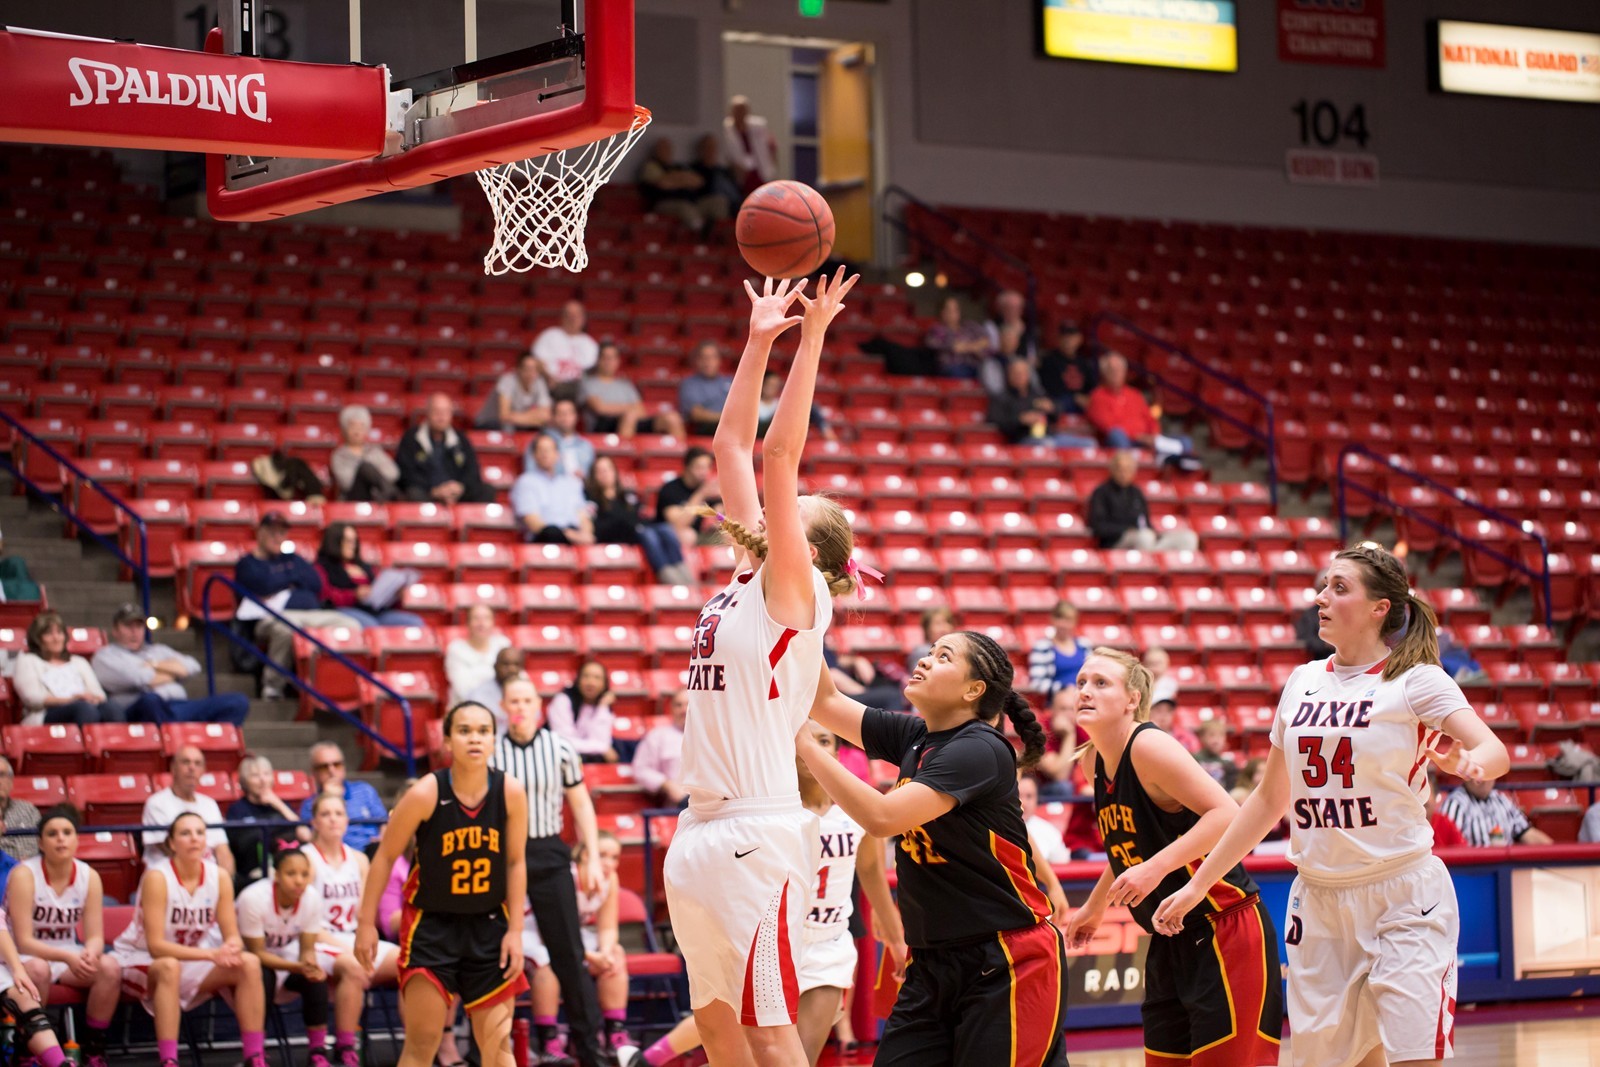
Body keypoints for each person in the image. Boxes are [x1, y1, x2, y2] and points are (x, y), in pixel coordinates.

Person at [1152, 541, 1512, 1067]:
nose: (1321, 597)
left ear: (1378, 608)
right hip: (1320, 901)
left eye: (1338, 588)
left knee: (1415, 1056)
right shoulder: (1302, 682)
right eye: (1324, 586)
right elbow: (1269, 798)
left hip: (1403, 896)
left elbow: (1494, 749)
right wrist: (1197, 884)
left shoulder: (1416, 681)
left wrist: (1472, 764)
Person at [663, 271, 860, 1067]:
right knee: (715, 1025)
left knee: (772, 1030)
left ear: (809, 549)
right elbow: (730, 447)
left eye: (798, 507)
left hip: (755, 825)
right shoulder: (747, 578)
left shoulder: (795, 588)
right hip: (701, 821)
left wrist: (810, 339)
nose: (787, 499)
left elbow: (778, 453)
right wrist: (754, 342)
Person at [799, 629, 1069, 1066]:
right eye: (929, 651)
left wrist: (807, 748)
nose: (924, 661)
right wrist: (797, 618)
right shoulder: (916, 737)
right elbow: (825, 702)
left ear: (973, 690)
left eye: (943, 657)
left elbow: (882, 817)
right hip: (933, 960)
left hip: (1006, 958)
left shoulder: (979, 748)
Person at [627, 723, 904, 1067]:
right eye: (803, 740)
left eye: (824, 740)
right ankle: (649, 1060)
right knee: (747, 1045)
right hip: (771, 942)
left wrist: (896, 943)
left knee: (799, 1055)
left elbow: (874, 878)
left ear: (835, 753)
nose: (811, 746)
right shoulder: (769, 815)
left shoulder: (854, 812)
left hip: (827, 944)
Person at [1065, 648, 1282, 1066]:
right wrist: (1094, 907)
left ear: (1131, 699)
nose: (1085, 692)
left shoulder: (1148, 746)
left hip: (1224, 927)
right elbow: (1126, 844)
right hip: (1169, 939)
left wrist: (1156, 867)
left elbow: (1226, 814)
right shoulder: (1095, 758)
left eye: (1100, 683)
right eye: (1081, 683)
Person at [356, 703, 529, 1067]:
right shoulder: (425, 793)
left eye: (483, 730)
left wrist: (516, 930)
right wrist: (365, 925)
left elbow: (515, 862)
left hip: (489, 929)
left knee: (499, 1050)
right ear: (448, 741)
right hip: (431, 928)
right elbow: (385, 857)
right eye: (465, 730)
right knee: (422, 1045)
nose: (475, 738)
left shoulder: (510, 792)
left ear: (494, 740)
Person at [491, 677, 610, 1067]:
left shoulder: (559, 748)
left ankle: (589, 1049)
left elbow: (581, 805)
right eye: (514, 700)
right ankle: (487, 1050)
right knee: (491, 953)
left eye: (527, 699)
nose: (520, 707)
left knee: (569, 955)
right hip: (502, 857)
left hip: (549, 852)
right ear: (504, 705)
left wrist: (590, 855)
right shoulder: (491, 753)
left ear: (538, 705)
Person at [114, 811, 268, 1067]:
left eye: (199, 832)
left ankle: (255, 1056)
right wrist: (212, 954)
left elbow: (232, 934)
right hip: (141, 957)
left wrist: (232, 946)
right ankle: (169, 1060)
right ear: (172, 843)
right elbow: (156, 947)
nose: (194, 839)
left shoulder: (218, 876)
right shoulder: (157, 877)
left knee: (249, 963)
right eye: (185, 833)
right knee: (169, 966)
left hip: (192, 956)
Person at [9, 805, 121, 1067]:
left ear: (76, 839)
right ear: (40, 842)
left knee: (110, 967)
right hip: (25, 956)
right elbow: (24, 940)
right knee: (37, 970)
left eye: (67, 832)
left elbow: (94, 936)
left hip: (65, 954)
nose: (61, 838)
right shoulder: (25, 874)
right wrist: (68, 957)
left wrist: (91, 952)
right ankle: (27, 1050)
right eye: (52, 833)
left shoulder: (88, 876)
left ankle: (93, 1046)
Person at [305, 795, 405, 1067]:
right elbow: (305, 922)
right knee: (355, 965)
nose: (333, 819)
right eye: (325, 814)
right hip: (316, 940)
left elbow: (366, 912)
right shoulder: (307, 858)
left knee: (409, 963)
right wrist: (351, 948)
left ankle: (415, 1043)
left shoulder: (359, 859)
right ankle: (346, 1046)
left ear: (347, 820)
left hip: (352, 935)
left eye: (338, 813)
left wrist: (362, 939)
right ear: (314, 821)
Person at [524, 832, 635, 1060]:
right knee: (547, 962)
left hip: (571, 938)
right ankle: (549, 1040)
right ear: (585, 855)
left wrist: (604, 953)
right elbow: (554, 935)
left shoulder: (610, 880)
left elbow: (607, 928)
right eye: (603, 855)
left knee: (616, 953)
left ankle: (615, 1034)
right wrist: (591, 958)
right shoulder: (565, 875)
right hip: (535, 933)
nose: (609, 863)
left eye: (615, 857)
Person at [234, 511, 362, 701]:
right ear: (260, 532)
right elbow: (263, 584)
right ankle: (272, 688)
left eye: (282, 533)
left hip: (310, 614)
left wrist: (283, 580)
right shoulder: (248, 563)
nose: (278, 538)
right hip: (272, 617)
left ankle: (326, 686)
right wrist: (292, 578)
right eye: (272, 532)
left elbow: (315, 582)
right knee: (286, 629)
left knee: (351, 625)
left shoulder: (291, 558)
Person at [236, 845, 334, 1067]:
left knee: (316, 980)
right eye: (291, 874)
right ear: (276, 875)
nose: (299, 880)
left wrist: (309, 965)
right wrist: (297, 967)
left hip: (284, 957)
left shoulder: (312, 899)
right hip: (246, 960)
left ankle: (318, 1052)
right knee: (264, 976)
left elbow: (307, 949)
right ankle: (255, 1054)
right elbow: (257, 953)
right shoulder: (253, 898)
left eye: (304, 874)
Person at [92, 603, 251, 724]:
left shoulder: (158, 650)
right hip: (140, 711)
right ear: (115, 630)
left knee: (237, 702)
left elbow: (192, 666)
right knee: (151, 700)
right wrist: (174, 673)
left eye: (139, 626)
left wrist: (154, 664)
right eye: (128, 626)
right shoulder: (105, 656)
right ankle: (176, 743)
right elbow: (139, 678)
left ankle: (206, 751)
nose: (135, 631)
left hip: (179, 706)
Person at [585, 455, 693, 585]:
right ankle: (670, 578)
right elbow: (600, 526)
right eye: (600, 471)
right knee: (648, 535)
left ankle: (684, 573)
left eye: (608, 469)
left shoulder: (627, 495)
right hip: (622, 536)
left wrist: (629, 521)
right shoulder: (593, 501)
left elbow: (640, 515)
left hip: (639, 529)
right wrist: (626, 522)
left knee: (665, 529)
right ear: (594, 476)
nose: (605, 474)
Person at [1085, 352, 1197, 466]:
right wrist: (1139, 437)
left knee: (1185, 441)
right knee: (1116, 435)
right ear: (1104, 373)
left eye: (1119, 369)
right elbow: (1108, 426)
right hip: (1124, 443)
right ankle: (1128, 469)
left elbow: (1151, 419)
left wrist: (1153, 436)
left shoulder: (1135, 394)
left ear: (1125, 372)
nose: (1116, 373)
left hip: (1148, 440)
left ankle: (1178, 477)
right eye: (1112, 370)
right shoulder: (1097, 396)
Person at [140, 746, 235, 878]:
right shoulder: (156, 803)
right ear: (173, 768)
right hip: (166, 880)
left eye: (197, 763)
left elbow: (223, 851)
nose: (192, 768)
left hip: (208, 880)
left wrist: (225, 882)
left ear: (203, 771)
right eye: (186, 762)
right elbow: (173, 851)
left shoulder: (210, 804)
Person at [313, 523, 427, 630]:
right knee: (371, 627)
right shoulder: (322, 568)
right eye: (347, 541)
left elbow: (379, 593)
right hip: (344, 610)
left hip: (375, 611)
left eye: (354, 541)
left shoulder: (366, 567)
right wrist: (354, 595)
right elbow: (325, 596)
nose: (352, 545)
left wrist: (395, 596)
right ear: (334, 542)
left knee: (414, 622)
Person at [1086, 450, 1200, 552]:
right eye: (1120, 469)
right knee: (1145, 537)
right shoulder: (1101, 492)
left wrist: (1156, 534)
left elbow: (1145, 522)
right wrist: (1127, 530)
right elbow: (1098, 526)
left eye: (1128, 469)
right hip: (1116, 543)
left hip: (1145, 540)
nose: (1123, 473)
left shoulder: (1136, 492)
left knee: (1188, 538)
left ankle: (1170, 572)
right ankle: (1150, 569)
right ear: (1112, 470)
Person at [15, 610, 114, 725]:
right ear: (37, 639)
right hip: (46, 713)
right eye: (49, 634)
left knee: (111, 708)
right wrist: (72, 700)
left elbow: (100, 694)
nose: (56, 638)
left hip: (85, 705)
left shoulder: (79, 661)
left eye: (59, 632)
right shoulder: (28, 660)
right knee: (83, 709)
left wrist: (91, 698)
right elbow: (32, 698)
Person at [395, 393, 496, 504]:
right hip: (427, 493)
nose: (441, 416)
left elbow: (473, 471)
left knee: (486, 490)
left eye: (445, 412)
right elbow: (405, 474)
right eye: (436, 411)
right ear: (427, 413)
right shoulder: (411, 438)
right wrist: (434, 491)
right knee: (413, 493)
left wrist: (459, 487)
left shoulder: (461, 439)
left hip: (457, 494)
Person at [227, 754, 310, 889]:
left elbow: (305, 835)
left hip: (285, 877)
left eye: (266, 774)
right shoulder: (237, 810)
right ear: (244, 781)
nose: (262, 780)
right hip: (251, 877)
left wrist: (278, 804)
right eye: (255, 775)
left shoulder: (283, 807)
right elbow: (237, 847)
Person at [578, 341, 687, 440]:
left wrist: (624, 410)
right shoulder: (588, 383)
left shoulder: (626, 385)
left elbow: (641, 410)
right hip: (602, 426)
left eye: (612, 358)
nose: (608, 362)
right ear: (598, 360)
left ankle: (682, 456)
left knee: (673, 418)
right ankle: (624, 455)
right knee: (630, 416)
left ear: (618, 361)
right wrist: (629, 409)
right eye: (605, 358)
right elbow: (600, 408)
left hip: (632, 421)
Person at [296, 742, 388, 853]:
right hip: (332, 858)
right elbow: (312, 840)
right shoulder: (310, 804)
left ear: (344, 767)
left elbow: (384, 822)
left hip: (371, 852)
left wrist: (383, 839)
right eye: (324, 767)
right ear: (314, 773)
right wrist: (327, 797)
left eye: (337, 764)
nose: (331, 770)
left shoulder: (365, 790)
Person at [511, 433, 596, 546]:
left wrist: (586, 534)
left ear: (558, 455)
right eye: (541, 450)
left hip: (573, 534)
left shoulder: (571, 483)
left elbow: (583, 515)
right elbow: (533, 523)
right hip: (545, 537)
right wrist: (570, 536)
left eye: (549, 450)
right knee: (552, 532)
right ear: (534, 455)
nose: (545, 454)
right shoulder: (525, 482)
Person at [637, 137, 729, 236]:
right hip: (665, 203)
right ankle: (701, 234)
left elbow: (698, 181)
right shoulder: (651, 166)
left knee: (719, 201)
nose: (666, 151)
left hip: (691, 201)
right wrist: (682, 180)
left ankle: (720, 232)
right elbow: (662, 184)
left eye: (668, 148)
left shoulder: (678, 166)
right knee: (684, 207)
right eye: (663, 149)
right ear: (656, 151)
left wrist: (674, 180)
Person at [1436, 778, 1554, 847]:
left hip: (1505, 871)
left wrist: (1554, 854)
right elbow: (1450, 849)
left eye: (1485, 769)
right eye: (1474, 769)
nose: (1480, 776)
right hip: (1473, 873)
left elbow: (1527, 833)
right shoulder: (1455, 804)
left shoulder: (1502, 800)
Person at [546, 660, 619, 764]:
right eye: (586, 676)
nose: (591, 682)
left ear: (605, 684)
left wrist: (602, 707)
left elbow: (602, 740)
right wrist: (601, 748)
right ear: (578, 679)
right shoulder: (563, 700)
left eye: (597, 678)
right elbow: (564, 741)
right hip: (560, 757)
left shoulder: (603, 706)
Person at [654, 446, 721, 554]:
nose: (704, 472)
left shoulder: (707, 488)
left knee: (728, 536)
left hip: (700, 536)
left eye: (707, 467)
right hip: (667, 538)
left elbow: (720, 516)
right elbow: (679, 524)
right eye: (699, 467)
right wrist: (700, 495)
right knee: (687, 535)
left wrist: (720, 511)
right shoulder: (670, 490)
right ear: (687, 467)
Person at [329, 404, 401, 502]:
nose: (357, 432)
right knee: (365, 468)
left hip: (378, 496)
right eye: (353, 427)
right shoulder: (339, 455)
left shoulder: (374, 451)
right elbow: (347, 482)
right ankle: (394, 494)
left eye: (361, 427)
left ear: (367, 430)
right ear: (345, 429)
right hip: (353, 498)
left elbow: (393, 472)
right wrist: (369, 474)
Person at [445, 603, 512, 707]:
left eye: (486, 618)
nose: (481, 623)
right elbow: (463, 689)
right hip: (465, 709)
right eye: (476, 618)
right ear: (468, 623)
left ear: (493, 622)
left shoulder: (503, 644)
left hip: (502, 709)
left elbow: (515, 678)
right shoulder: (456, 649)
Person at [533, 301, 600, 403]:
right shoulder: (549, 335)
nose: (572, 319)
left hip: (579, 388)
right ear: (562, 317)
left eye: (576, 315)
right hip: (551, 384)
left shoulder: (590, 344)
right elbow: (536, 361)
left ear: (583, 319)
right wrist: (548, 376)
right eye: (569, 315)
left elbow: (593, 371)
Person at [631, 689, 688, 808]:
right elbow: (640, 769)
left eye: (688, 704)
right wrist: (666, 784)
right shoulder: (657, 736)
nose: (684, 710)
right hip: (678, 805)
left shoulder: (712, 736)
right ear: (671, 709)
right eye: (678, 705)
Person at [1027, 599, 1094, 695]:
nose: (1063, 624)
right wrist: (1063, 688)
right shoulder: (1042, 647)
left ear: (1075, 622)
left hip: (1083, 696)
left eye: (1068, 620)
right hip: (1057, 702)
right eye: (1060, 618)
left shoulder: (1084, 645)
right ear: (1052, 619)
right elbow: (1037, 683)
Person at [475, 351, 553, 432]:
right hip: (490, 423)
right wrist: (533, 417)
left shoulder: (539, 382)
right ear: (519, 369)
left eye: (535, 369)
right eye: (528, 369)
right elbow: (504, 416)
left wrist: (516, 417)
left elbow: (546, 415)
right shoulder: (507, 381)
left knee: (546, 431)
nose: (532, 373)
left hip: (517, 424)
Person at [462, 647, 528, 738]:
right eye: (506, 664)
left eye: (516, 665)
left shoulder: (527, 692)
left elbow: (532, 720)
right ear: (495, 666)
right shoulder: (478, 695)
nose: (511, 669)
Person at [1038, 321, 1101, 414]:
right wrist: (1074, 398)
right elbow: (1051, 390)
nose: (1068, 340)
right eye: (1064, 336)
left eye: (1071, 336)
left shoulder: (1084, 363)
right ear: (1058, 338)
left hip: (1081, 405)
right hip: (1059, 404)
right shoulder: (1049, 360)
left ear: (1079, 339)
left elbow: (1092, 388)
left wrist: (1087, 398)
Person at [923, 295, 992, 380]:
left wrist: (966, 347)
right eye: (948, 310)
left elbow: (985, 340)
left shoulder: (969, 326)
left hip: (976, 365)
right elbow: (932, 344)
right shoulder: (937, 329)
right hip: (953, 366)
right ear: (942, 312)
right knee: (957, 372)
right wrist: (973, 347)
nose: (952, 313)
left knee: (991, 372)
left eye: (955, 309)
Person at [721, 94, 779, 196]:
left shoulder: (758, 126)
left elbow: (772, 146)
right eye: (737, 110)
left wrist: (772, 165)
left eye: (743, 110)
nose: (740, 114)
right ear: (732, 112)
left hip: (759, 170)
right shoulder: (726, 130)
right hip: (740, 173)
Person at [678, 341, 735, 437]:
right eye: (704, 358)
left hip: (732, 428)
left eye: (713, 357)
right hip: (705, 428)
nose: (708, 362)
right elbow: (696, 414)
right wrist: (728, 419)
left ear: (719, 360)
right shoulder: (689, 384)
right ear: (697, 360)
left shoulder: (731, 381)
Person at [531, 397, 597, 478]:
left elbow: (593, 478)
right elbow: (531, 475)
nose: (565, 417)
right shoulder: (541, 442)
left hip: (581, 489)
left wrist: (584, 479)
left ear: (576, 416)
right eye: (561, 413)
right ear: (553, 417)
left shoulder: (586, 446)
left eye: (569, 413)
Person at [1018, 774, 1070, 865]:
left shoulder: (1049, 831)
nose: (1024, 803)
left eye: (1029, 796)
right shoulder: (998, 829)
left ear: (1037, 799)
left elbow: (1063, 863)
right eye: (1018, 795)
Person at [0, 756, 40, 862]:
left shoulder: (29, 810)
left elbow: (42, 844)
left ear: (11, 781)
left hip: (31, 872)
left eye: (1, 775)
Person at [1192, 719, 1240, 792]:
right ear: (1202, 737)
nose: (1216, 740)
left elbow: (1231, 790)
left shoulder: (1228, 764)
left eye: (1220, 736)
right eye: (1211, 735)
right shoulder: (1194, 759)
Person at [906, 605, 955, 672]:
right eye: (938, 624)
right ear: (927, 629)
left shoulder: (956, 651)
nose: (944, 628)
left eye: (947, 622)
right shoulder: (921, 652)